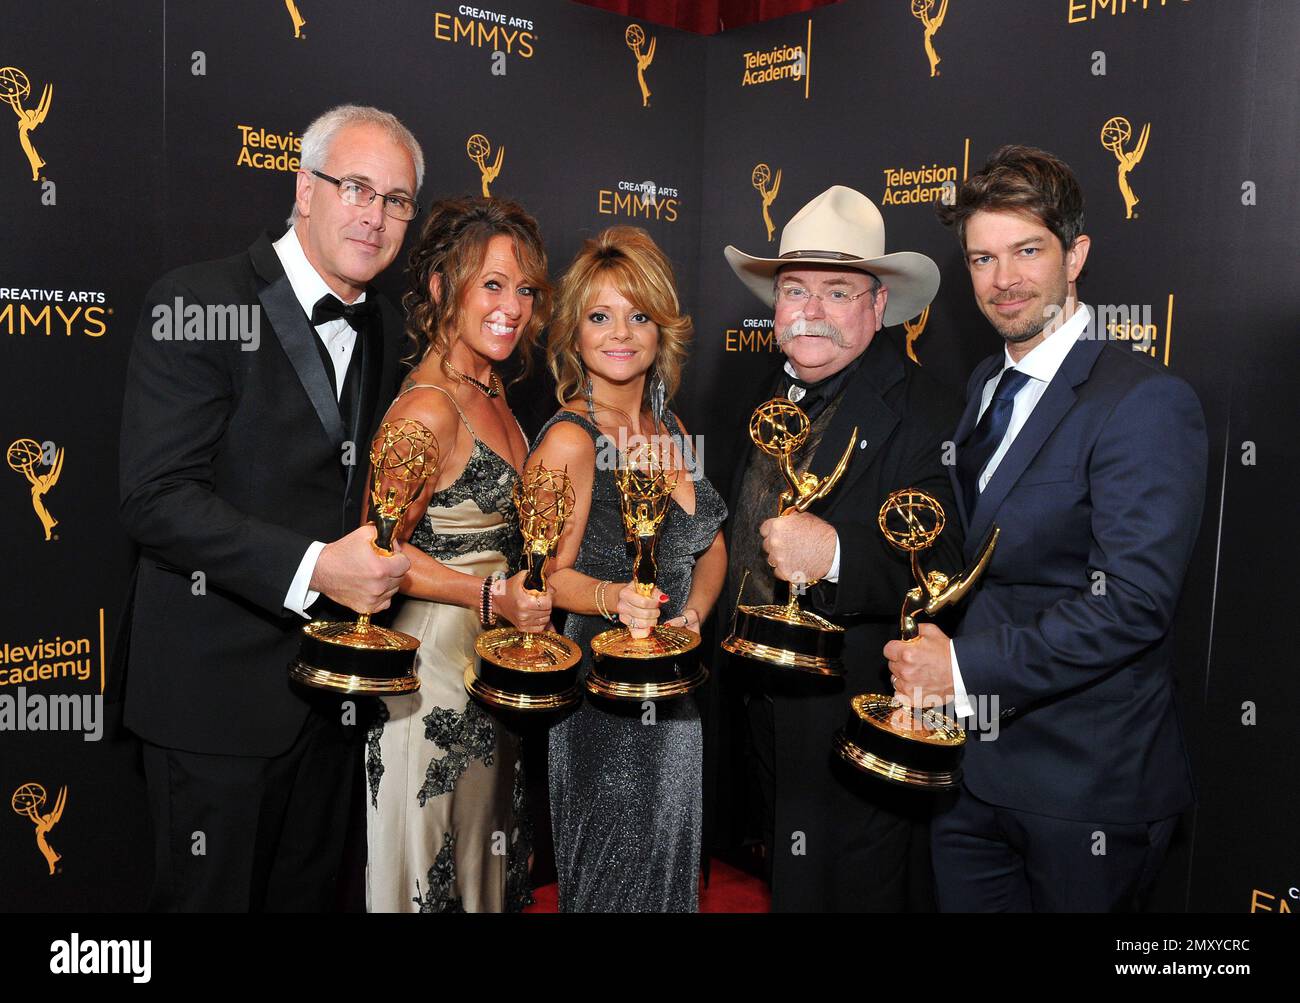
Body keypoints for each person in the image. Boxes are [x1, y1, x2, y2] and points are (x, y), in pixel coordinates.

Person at [118, 104, 424, 911]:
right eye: (356, 186)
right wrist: (319, 567)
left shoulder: (387, 325)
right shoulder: (197, 299)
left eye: (396, 200)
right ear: (304, 188)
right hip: (212, 705)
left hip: (333, 704)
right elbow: (156, 499)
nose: (375, 214)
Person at [886, 144, 1206, 911]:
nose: (1004, 280)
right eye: (982, 258)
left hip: (1086, 789)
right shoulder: (985, 384)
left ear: (1077, 254)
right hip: (970, 775)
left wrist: (960, 673)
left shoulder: (1143, 402)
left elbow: (1130, 603)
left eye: (1028, 250)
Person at [720, 185, 963, 911]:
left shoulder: (930, 411)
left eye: (837, 290)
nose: (811, 310)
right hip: (760, 715)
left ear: (879, 304)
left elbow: (946, 556)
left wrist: (834, 553)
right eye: (795, 289)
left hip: (853, 727)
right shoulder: (761, 394)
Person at [528, 226, 728, 912]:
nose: (621, 332)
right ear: (574, 333)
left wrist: (694, 612)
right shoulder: (568, 438)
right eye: (600, 315)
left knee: (668, 884)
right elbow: (545, 575)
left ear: (662, 327)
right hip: (601, 698)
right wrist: (615, 595)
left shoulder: (669, 429)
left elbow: (710, 542)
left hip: (675, 696)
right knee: (613, 886)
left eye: (639, 314)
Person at [363, 196, 553, 913]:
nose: (513, 307)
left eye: (526, 289)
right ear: (443, 289)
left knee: (486, 861)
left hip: (492, 665)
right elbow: (375, 556)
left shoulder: (494, 386)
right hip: (433, 672)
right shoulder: (428, 407)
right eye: (493, 285)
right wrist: (486, 597)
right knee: (433, 867)